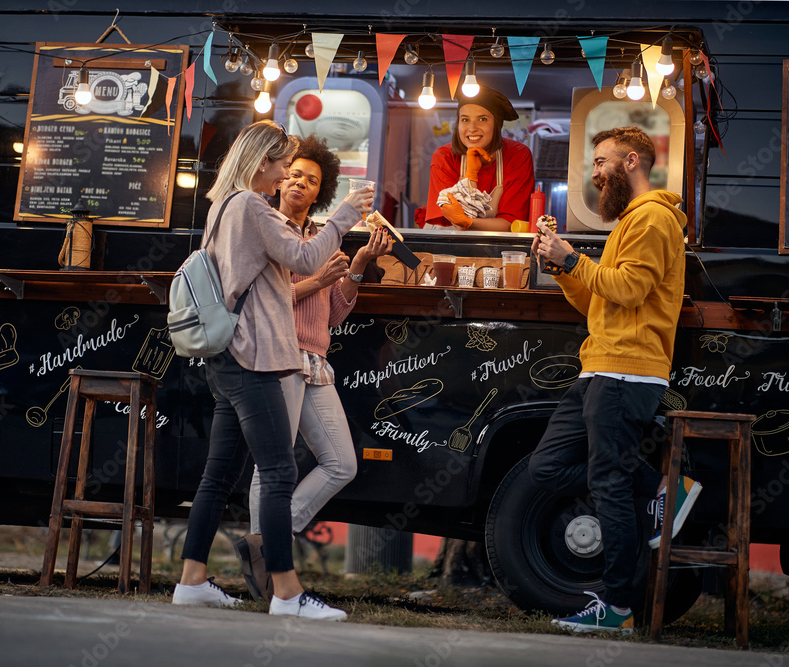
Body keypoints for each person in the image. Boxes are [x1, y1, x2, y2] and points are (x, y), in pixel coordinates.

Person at [171, 120, 373, 621]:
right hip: (257, 356)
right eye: (283, 163)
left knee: (218, 476)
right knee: (280, 471)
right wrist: (343, 217)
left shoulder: (224, 207)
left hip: (231, 355)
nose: (287, 173)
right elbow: (302, 256)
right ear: (262, 163)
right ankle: (286, 595)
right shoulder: (251, 206)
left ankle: (192, 581)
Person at [528, 126, 700, 634]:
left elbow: (628, 289)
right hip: (601, 366)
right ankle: (662, 489)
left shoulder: (651, 218)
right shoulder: (630, 220)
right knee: (545, 467)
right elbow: (598, 300)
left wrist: (571, 257)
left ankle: (619, 607)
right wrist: (562, 270)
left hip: (627, 369)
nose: (595, 173)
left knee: (608, 486)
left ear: (630, 161)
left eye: (601, 162)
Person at [235, 135, 393, 602]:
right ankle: (269, 565)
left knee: (342, 463)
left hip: (316, 359)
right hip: (278, 355)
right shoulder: (266, 226)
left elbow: (333, 315)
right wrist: (318, 279)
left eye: (313, 179)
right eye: (296, 173)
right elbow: (262, 304)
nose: (301, 182)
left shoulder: (321, 238)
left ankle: (265, 542)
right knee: (272, 463)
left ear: (321, 192)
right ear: (281, 178)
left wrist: (358, 269)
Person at [421, 86, 534, 231]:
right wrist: (471, 175)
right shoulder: (444, 157)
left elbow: (509, 224)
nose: (472, 128)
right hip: (446, 244)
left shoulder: (518, 155)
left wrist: (468, 223)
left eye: (482, 119)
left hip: (495, 246)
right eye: (465, 119)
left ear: (497, 124)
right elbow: (456, 220)